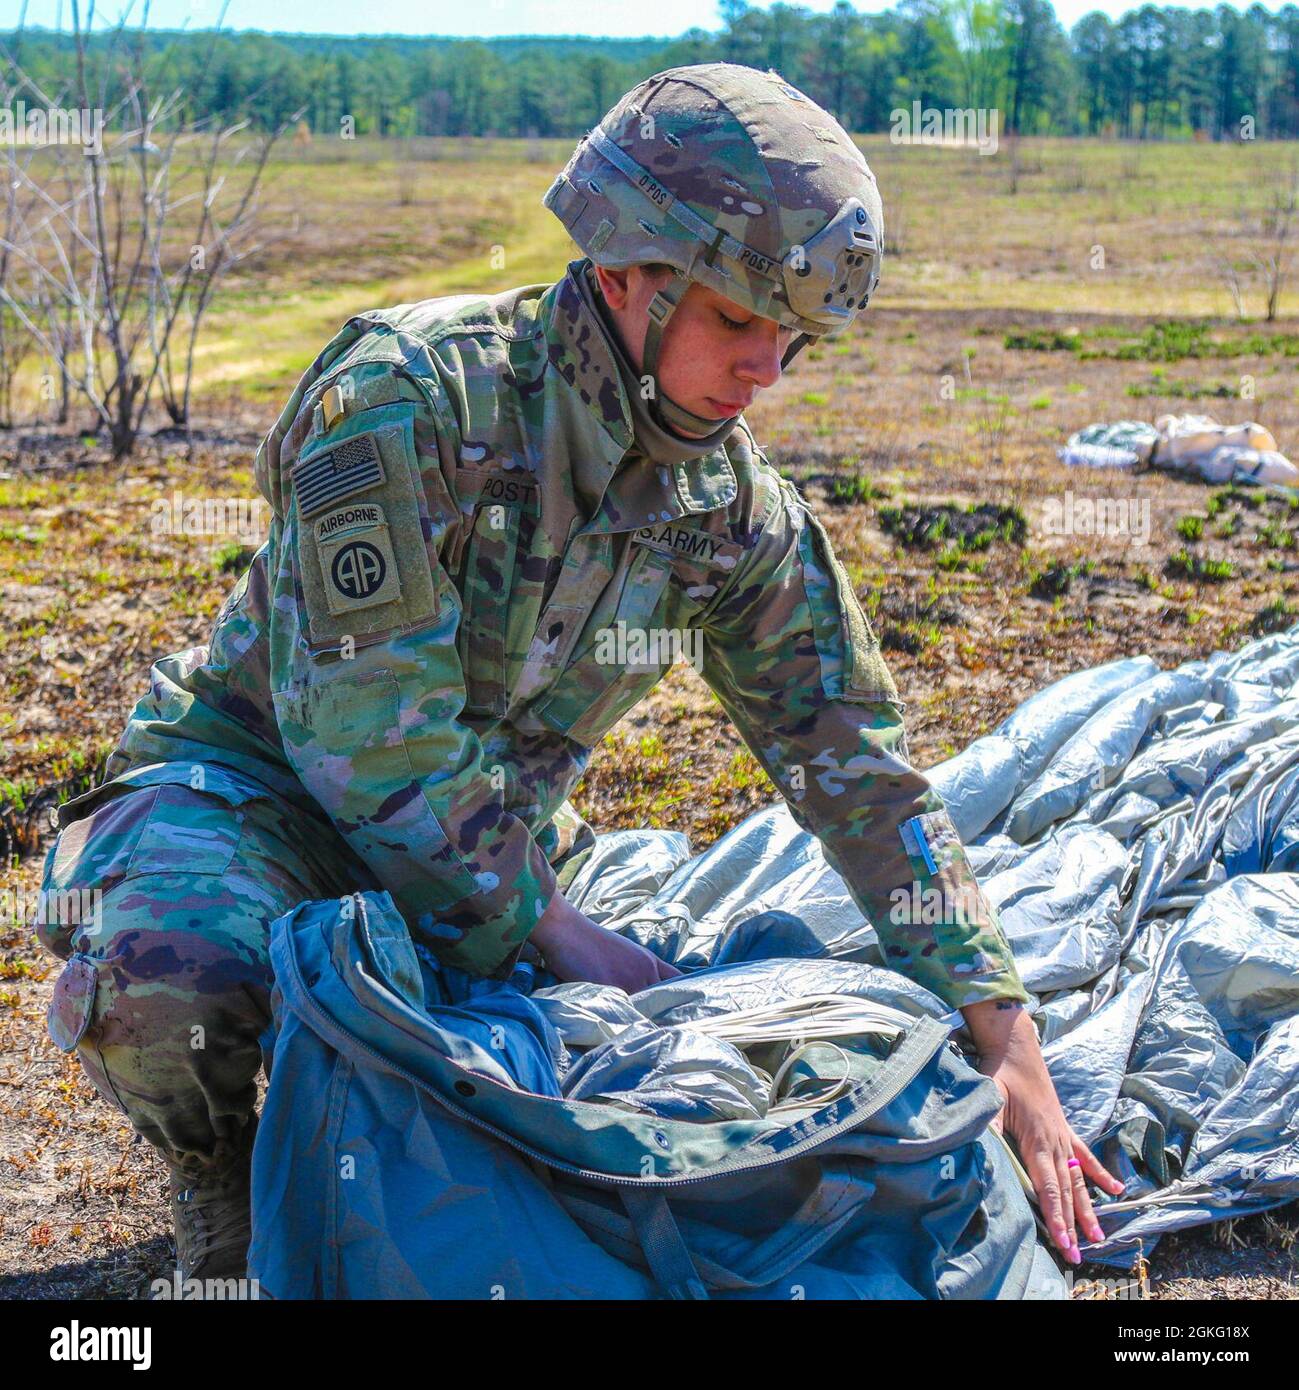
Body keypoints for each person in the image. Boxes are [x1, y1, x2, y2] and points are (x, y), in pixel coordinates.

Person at [35, 62, 1121, 1291]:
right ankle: (224, 1180)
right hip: (261, 804)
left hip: (492, 845)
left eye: (794, 339)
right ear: (624, 277)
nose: (765, 369)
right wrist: (556, 933)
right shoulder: (407, 402)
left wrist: (1006, 1035)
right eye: (735, 318)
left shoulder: (727, 504)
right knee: (169, 973)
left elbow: (861, 773)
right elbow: (365, 744)